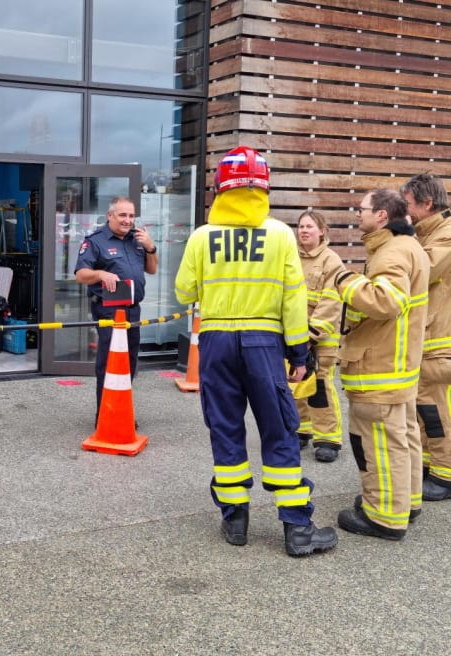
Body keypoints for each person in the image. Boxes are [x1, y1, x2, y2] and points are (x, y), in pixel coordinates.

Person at [174, 146, 338, 557]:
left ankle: (235, 520)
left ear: (219, 190)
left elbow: (183, 292)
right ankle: (297, 529)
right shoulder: (282, 235)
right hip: (265, 344)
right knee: (279, 430)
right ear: (264, 188)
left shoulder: (201, 236)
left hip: (214, 343)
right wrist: (300, 355)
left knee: (225, 428)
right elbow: (293, 301)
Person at [333, 189, 429, 540]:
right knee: (403, 437)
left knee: (378, 444)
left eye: (362, 210)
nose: (357, 215)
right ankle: (406, 501)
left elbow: (385, 301)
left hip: (379, 367)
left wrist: (347, 280)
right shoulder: (407, 247)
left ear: (382, 216)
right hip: (397, 365)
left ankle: (384, 516)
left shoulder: (393, 252)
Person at [402, 173, 451, 501]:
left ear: (428, 204)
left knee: (443, 408)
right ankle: (432, 464)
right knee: (426, 407)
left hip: (441, 338)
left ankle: (450, 474)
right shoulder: (426, 232)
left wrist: (399, 238)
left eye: (409, 206)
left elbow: (422, 270)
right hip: (426, 336)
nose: (405, 212)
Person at [74, 196, 158, 418]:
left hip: (133, 310)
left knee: (129, 362)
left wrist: (151, 248)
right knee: (109, 362)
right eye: (122, 215)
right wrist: (100, 273)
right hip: (109, 310)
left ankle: (121, 412)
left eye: (131, 216)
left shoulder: (137, 240)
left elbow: (152, 270)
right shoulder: (95, 241)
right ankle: (105, 415)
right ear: (110, 215)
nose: (128, 220)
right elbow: (80, 275)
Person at [295, 211, 345, 462]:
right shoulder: (291, 257)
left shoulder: (331, 260)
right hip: (293, 338)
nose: (304, 230)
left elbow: (331, 301)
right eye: (301, 226)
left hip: (320, 339)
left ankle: (328, 439)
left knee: (320, 388)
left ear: (322, 231)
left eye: (309, 226)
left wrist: (311, 335)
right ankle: (302, 430)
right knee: (295, 385)